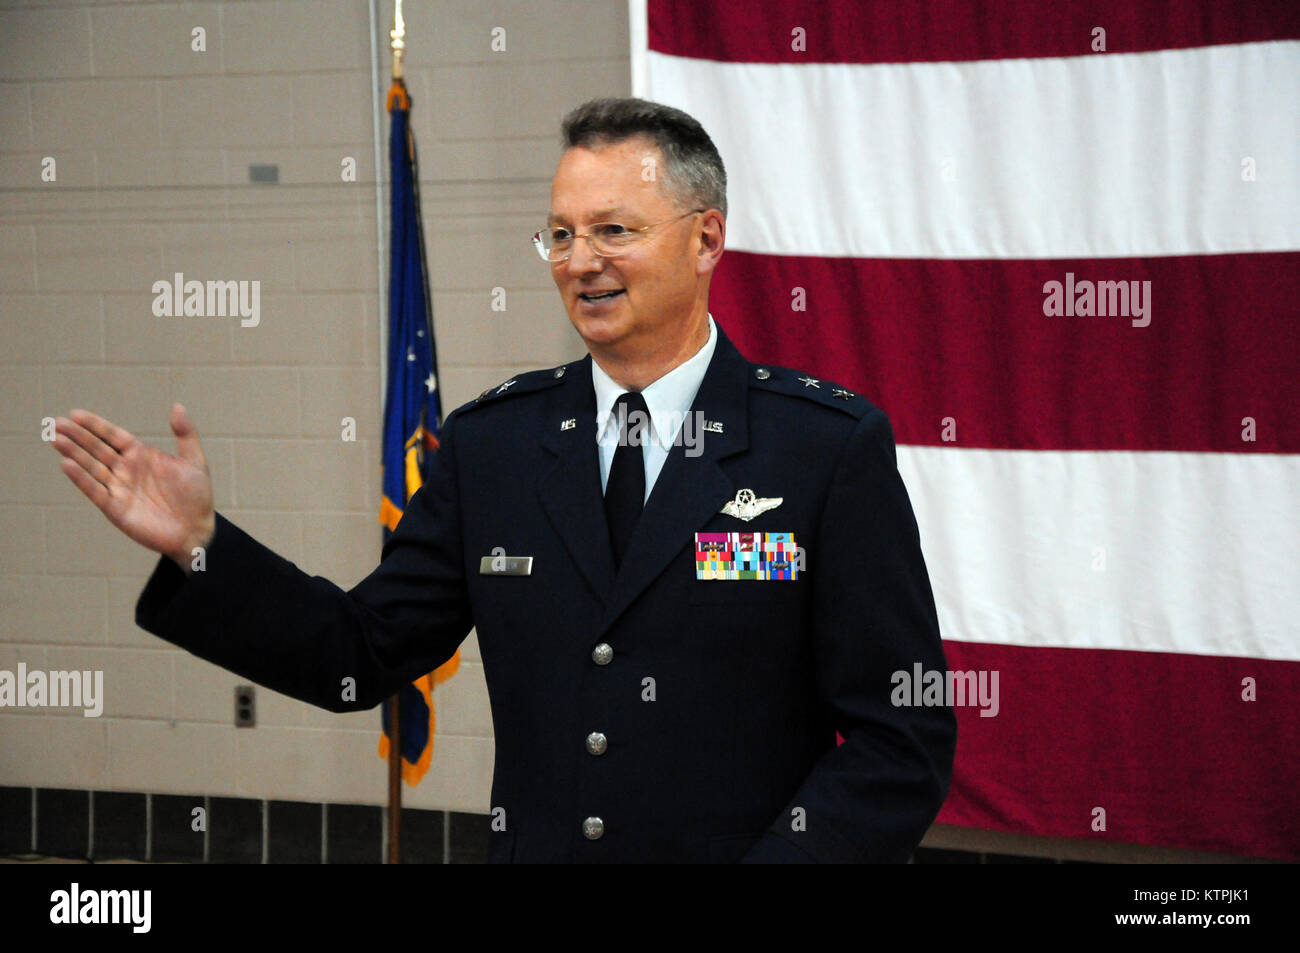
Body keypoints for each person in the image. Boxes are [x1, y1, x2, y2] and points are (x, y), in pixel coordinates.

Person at [50, 97, 956, 863]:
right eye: (559, 234)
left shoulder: (821, 448)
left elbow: (900, 739)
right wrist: (204, 548)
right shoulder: (498, 446)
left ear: (707, 238)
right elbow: (360, 652)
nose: (580, 260)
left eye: (614, 230)